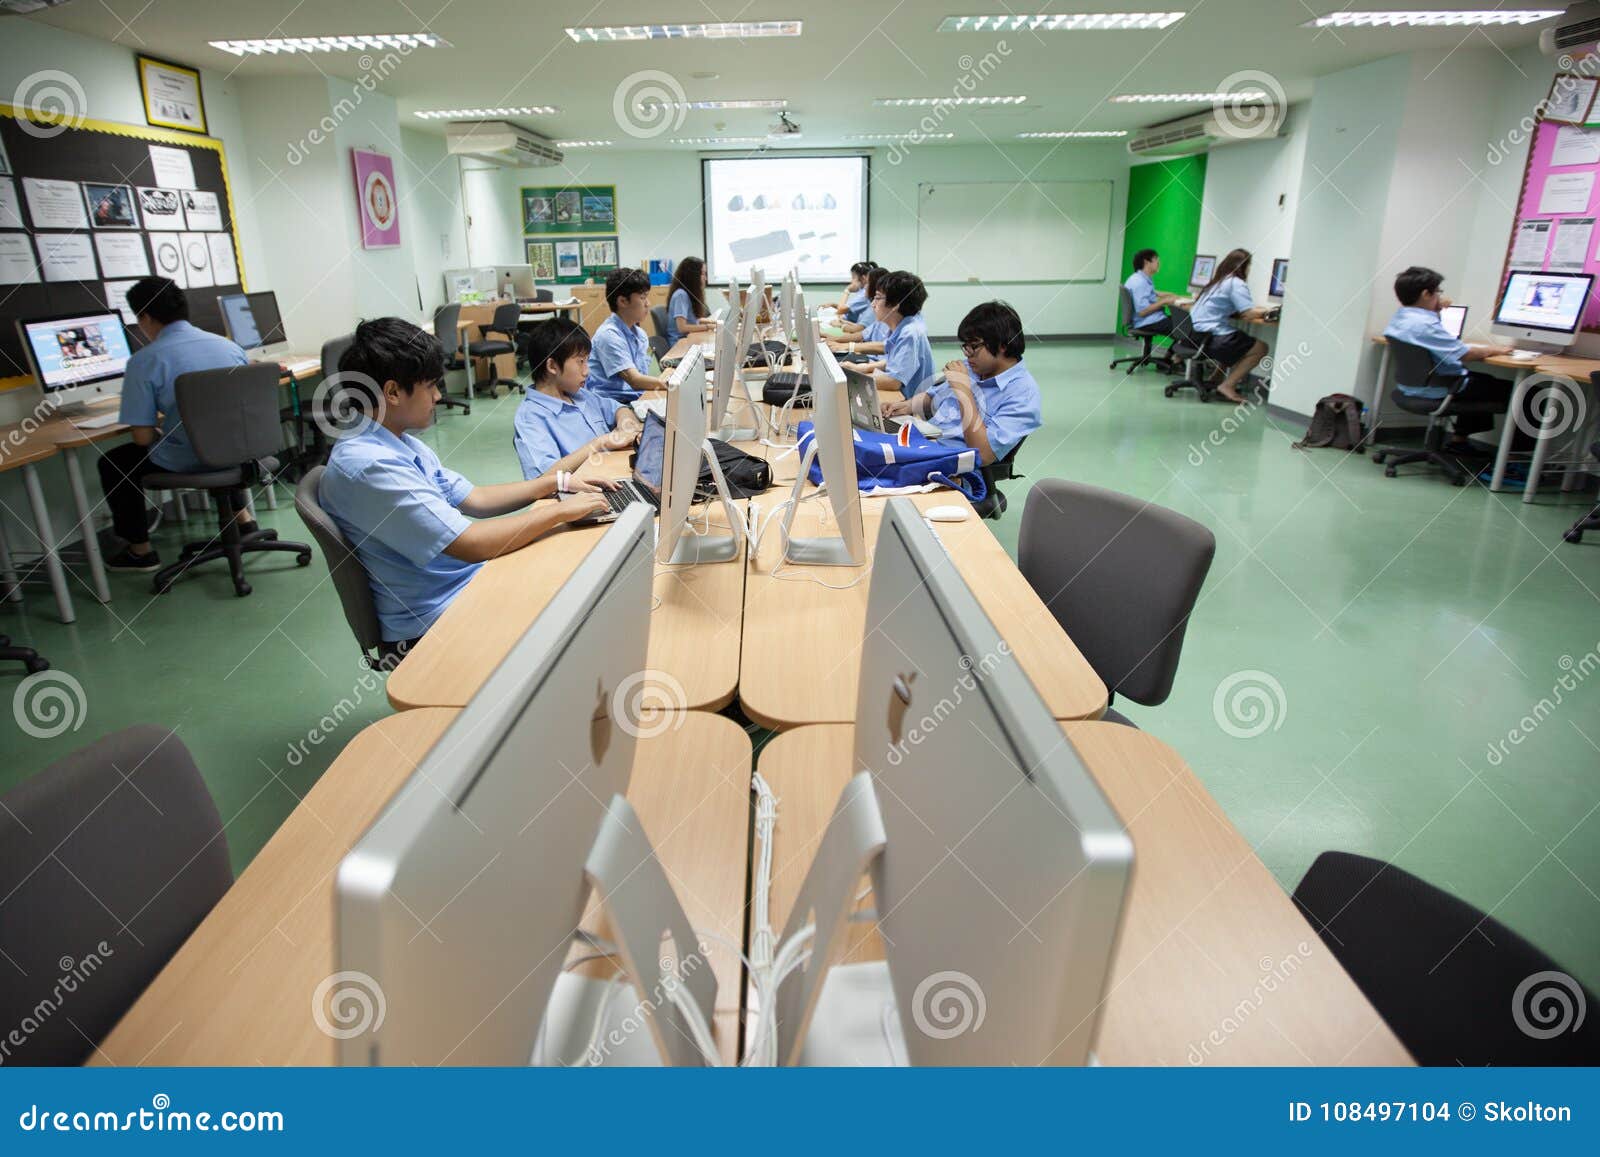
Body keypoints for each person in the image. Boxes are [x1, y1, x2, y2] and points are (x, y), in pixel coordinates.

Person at [318, 318, 612, 660]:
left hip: (459, 584)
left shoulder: (398, 442)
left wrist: (556, 483)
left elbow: (475, 498)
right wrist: (561, 511)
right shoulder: (370, 465)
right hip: (437, 615)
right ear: (393, 392)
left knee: (576, 566)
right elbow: (470, 544)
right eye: (430, 386)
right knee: (585, 593)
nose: (439, 396)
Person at [97, 276, 254, 572]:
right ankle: (243, 520)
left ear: (144, 317)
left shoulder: (144, 361)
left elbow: (142, 438)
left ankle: (140, 552)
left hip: (188, 458)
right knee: (218, 434)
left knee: (114, 463)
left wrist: (161, 429)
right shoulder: (228, 347)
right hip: (238, 450)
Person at [1383, 266, 1528, 454]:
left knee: (1484, 381)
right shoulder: (1426, 324)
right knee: (1527, 393)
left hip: (1411, 388)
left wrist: (1436, 309)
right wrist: (1495, 349)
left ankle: (1459, 442)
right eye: (1438, 292)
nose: (1440, 296)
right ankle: (1515, 460)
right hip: (1437, 390)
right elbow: (1464, 354)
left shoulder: (1400, 318)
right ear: (1426, 294)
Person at [883, 301, 1041, 466]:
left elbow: (983, 455)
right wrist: (907, 406)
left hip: (953, 466)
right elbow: (933, 398)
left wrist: (964, 391)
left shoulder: (1023, 394)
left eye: (973, 347)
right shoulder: (973, 367)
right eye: (965, 347)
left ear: (1002, 346)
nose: (967, 355)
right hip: (925, 445)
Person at [513, 318, 642, 478]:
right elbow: (543, 479)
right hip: (578, 495)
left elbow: (619, 409)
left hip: (611, 474)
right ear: (552, 366)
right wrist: (600, 443)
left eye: (587, 361)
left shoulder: (580, 395)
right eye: (581, 362)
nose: (586, 371)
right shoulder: (530, 417)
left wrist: (624, 426)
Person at [1186, 248, 1270, 403]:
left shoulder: (1216, 282)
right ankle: (1228, 385)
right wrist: (1266, 312)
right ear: (1244, 266)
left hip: (1195, 335)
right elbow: (1247, 314)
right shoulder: (1235, 283)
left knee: (1236, 337)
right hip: (1211, 338)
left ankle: (1217, 377)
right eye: (1249, 265)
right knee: (1260, 348)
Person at [586, 267, 667, 403]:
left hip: (634, 398)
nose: (648, 303)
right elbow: (634, 380)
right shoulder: (608, 336)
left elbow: (641, 379)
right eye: (642, 298)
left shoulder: (639, 334)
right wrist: (674, 383)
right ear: (623, 301)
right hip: (612, 404)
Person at [865, 269, 935, 399]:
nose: (873, 304)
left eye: (877, 297)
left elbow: (893, 382)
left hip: (911, 409)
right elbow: (896, 363)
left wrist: (851, 379)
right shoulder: (900, 327)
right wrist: (862, 368)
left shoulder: (910, 333)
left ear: (895, 305)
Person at [828, 266, 890, 354]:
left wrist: (841, 328)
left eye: (867, 283)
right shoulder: (879, 312)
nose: (865, 287)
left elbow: (859, 329)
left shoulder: (880, 310)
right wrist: (831, 338)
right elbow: (863, 333)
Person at [1124, 248, 1179, 336]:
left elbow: (1151, 292)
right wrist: (1164, 301)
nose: (1158, 263)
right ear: (1146, 262)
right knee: (1186, 329)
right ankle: (1174, 349)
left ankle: (1174, 349)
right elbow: (1142, 312)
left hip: (1147, 320)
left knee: (1183, 324)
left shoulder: (1139, 278)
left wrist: (1171, 295)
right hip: (1148, 321)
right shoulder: (1139, 282)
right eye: (1156, 260)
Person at [666, 256, 714, 343]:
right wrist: (708, 327)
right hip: (679, 343)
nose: (705, 278)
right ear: (693, 276)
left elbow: (692, 319)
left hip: (689, 338)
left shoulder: (687, 294)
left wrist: (713, 322)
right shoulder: (681, 295)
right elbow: (682, 328)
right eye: (702, 274)